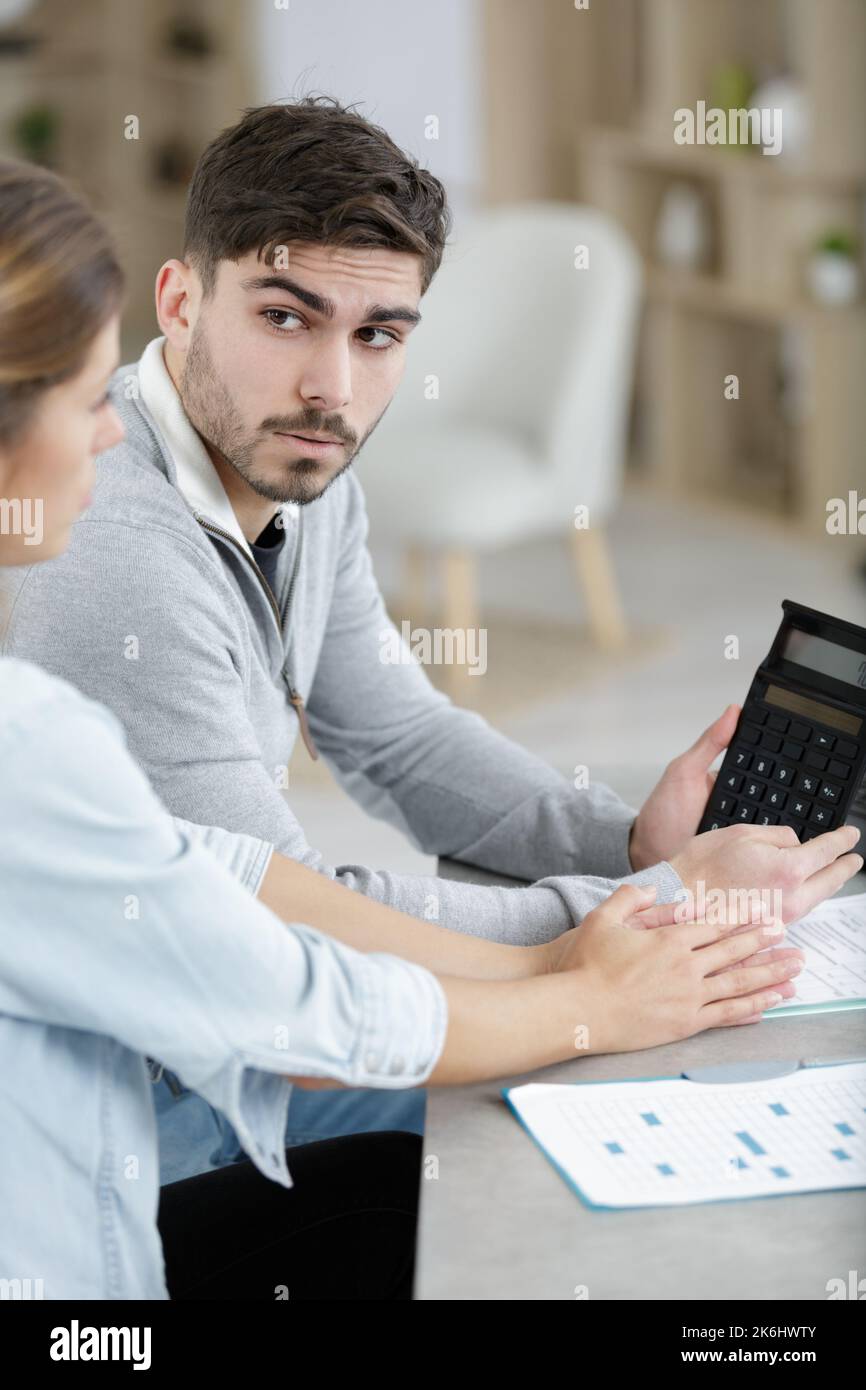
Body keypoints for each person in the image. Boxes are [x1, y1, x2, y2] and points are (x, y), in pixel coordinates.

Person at [2, 159, 853, 1299]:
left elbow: (350, 776)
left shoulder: (301, 468)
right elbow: (292, 985)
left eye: (379, 337)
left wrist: (625, 862)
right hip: (146, 1164)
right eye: (284, 319)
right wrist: (610, 951)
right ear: (179, 302)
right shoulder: (101, 600)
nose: (331, 388)